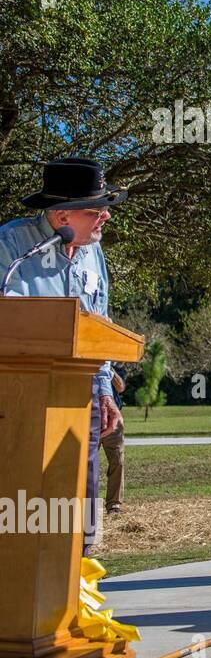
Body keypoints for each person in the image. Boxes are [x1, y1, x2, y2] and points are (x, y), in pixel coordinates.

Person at [0, 158, 127, 550]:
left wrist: (105, 390)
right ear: (60, 215)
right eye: (95, 210)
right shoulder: (12, 246)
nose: (105, 216)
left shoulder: (93, 252)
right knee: (25, 499)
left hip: (82, 392)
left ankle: (79, 573)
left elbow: (99, 320)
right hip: (22, 395)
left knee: (81, 492)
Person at [99, 369, 128, 514]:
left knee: (117, 461)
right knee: (86, 462)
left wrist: (109, 369)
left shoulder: (115, 368)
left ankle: (114, 504)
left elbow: (120, 387)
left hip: (114, 420)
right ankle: (84, 501)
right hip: (90, 417)